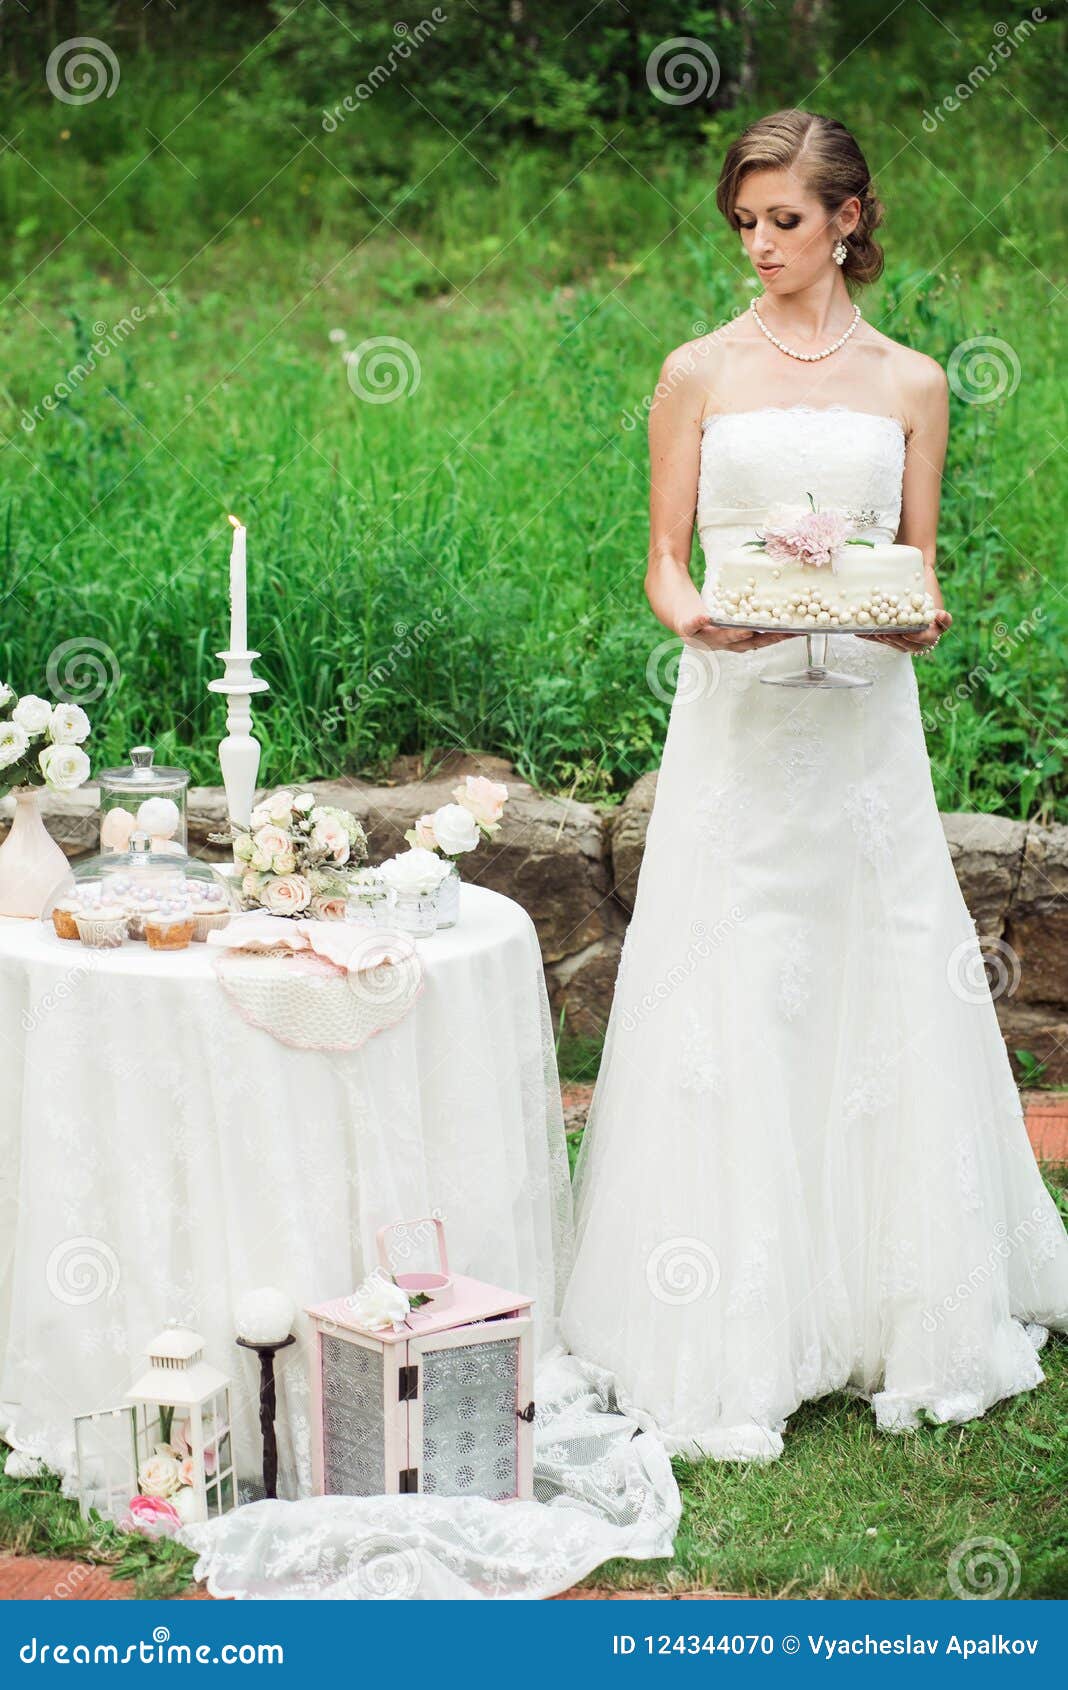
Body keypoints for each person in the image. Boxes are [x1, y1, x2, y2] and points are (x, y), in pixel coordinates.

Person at [559, 109, 1068, 1462]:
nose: (763, 245)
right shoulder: (695, 371)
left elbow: (919, 568)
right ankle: (721, 1304)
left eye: (786, 219)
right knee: (728, 976)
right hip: (736, 718)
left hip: (860, 731)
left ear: (850, 216)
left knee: (879, 965)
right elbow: (666, 561)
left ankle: (902, 1291)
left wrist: (917, 620)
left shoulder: (910, 382)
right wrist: (696, 622)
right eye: (746, 222)